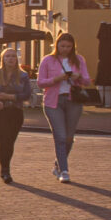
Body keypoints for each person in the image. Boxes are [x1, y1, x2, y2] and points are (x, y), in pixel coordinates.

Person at [36, 32, 91, 182]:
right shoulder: (47, 60)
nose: (65, 49)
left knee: (69, 137)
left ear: (73, 46)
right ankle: (64, 171)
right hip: (53, 102)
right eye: (62, 46)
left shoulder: (79, 60)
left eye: (68, 46)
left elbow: (87, 81)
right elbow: (40, 82)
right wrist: (57, 78)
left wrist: (78, 77)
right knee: (59, 136)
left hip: (73, 100)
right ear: (57, 45)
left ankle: (58, 164)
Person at [0, 52, 34, 183]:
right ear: (3, 58)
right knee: (3, 140)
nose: (10, 59)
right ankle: (5, 170)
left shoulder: (23, 75)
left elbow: (27, 94)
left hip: (15, 112)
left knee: (10, 141)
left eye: (13, 56)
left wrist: (9, 97)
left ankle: (5, 168)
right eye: (7, 56)